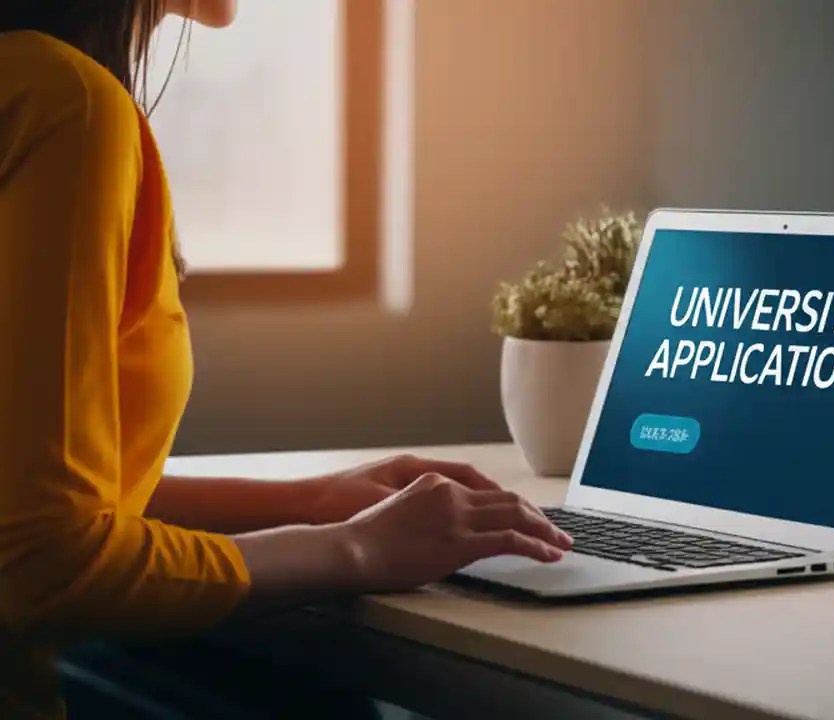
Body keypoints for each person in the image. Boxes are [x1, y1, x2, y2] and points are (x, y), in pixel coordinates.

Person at [0, 1, 573, 716]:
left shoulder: (29, 83)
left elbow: (29, 496)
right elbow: (48, 564)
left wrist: (305, 502)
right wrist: (356, 549)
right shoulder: (69, 106)